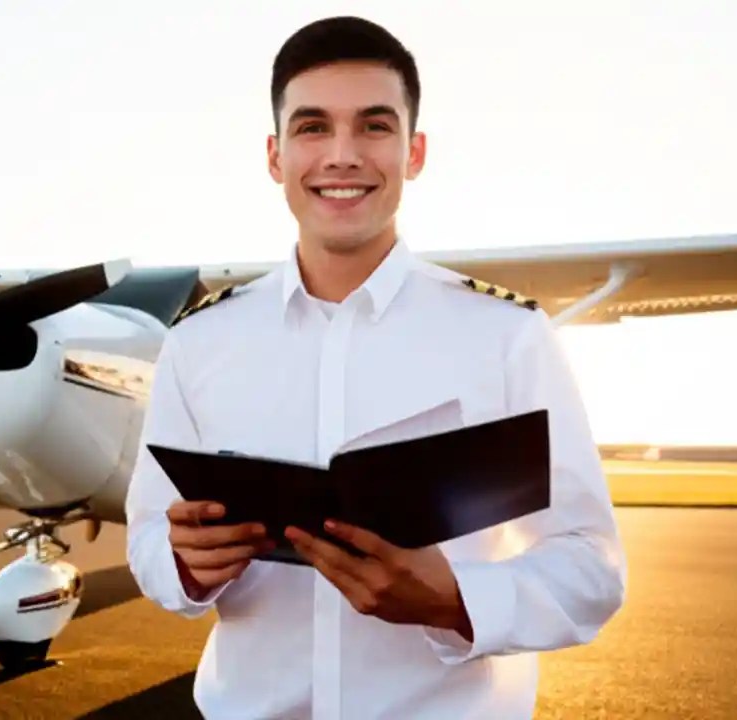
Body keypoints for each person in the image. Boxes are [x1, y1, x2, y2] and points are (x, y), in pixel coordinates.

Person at [124, 15, 626, 720]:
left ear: (414, 152)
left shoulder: (508, 335)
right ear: (275, 156)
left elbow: (591, 566)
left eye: (374, 126)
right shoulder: (200, 343)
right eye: (312, 128)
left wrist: (454, 599)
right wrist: (183, 563)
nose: (342, 154)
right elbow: (147, 535)